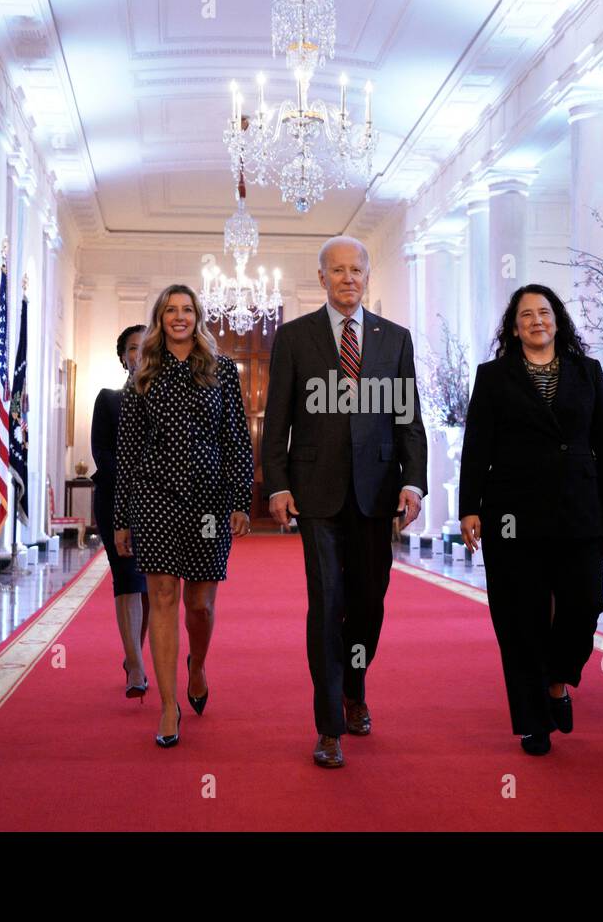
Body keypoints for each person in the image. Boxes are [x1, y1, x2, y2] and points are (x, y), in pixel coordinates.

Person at [261, 235, 428, 768]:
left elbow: (409, 422)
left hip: (378, 496)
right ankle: (329, 723)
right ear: (322, 278)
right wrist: (279, 486)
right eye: (338, 270)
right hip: (317, 496)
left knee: (368, 606)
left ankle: (355, 688)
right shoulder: (294, 338)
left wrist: (413, 482)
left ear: (367, 277)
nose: (348, 278)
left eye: (357, 269)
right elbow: (277, 419)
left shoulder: (394, 340)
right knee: (327, 605)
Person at [459, 285, 603, 756]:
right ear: (513, 328)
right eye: (526, 315)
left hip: (579, 506)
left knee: (584, 606)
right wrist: (469, 506)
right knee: (519, 618)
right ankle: (533, 721)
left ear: (557, 320)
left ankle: (557, 681)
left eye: (545, 312)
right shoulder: (494, 377)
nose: (537, 320)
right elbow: (477, 444)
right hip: (511, 513)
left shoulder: (587, 372)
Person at [114, 284, 254, 748]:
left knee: (200, 604)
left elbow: (236, 439)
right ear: (159, 318)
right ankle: (169, 704)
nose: (179, 317)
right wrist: (122, 518)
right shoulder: (143, 373)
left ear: (198, 316)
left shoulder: (221, 371)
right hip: (154, 498)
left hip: (209, 502)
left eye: (187, 309)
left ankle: (197, 662)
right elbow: (128, 451)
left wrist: (238, 500)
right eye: (171, 310)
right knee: (162, 598)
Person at [91, 324, 150, 700]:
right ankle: (137, 667)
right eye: (132, 348)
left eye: (145, 347)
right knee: (127, 579)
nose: (138, 354)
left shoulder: (167, 399)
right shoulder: (108, 399)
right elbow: (103, 454)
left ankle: (135, 657)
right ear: (123, 356)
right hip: (116, 500)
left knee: (151, 587)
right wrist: (136, 482)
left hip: (160, 505)